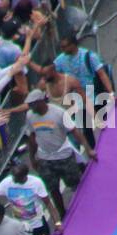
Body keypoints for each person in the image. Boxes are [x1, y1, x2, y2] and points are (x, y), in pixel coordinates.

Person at [24, 91, 94, 221]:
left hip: (64, 155)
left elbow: (75, 131)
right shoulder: (30, 116)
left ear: (41, 102)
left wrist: (88, 149)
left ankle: (85, 208)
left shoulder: (59, 113)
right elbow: (32, 137)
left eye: (33, 105)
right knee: (53, 188)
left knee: (75, 184)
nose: (32, 109)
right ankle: (63, 214)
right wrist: (32, 157)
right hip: (45, 158)